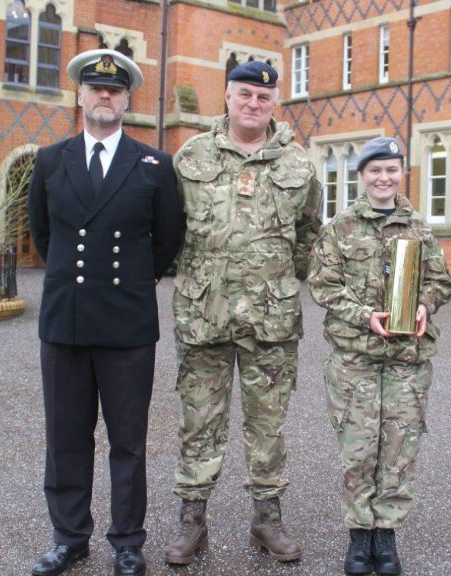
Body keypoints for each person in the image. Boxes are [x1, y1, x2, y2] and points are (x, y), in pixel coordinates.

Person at [27, 48, 183, 576]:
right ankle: (69, 537)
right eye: (96, 88)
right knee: (66, 437)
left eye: (114, 90)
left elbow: (167, 241)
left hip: (127, 324)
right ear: (80, 94)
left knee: (128, 442)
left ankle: (127, 541)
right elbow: (43, 236)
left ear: (126, 100)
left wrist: (132, 284)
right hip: (66, 322)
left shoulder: (155, 165)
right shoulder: (50, 160)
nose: (104, 95)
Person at [165, 60, 322, 566]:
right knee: (198, 422)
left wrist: (276, 281)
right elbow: (169, 230)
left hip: (270, 322)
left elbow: (310, 237)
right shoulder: (191, 156)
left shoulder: (297, 165)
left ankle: (266, 519)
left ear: (274, 103)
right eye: (244, 94)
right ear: (227, 97)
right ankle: (193, 521)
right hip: (202, 316)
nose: (253, 104)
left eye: (263, 97)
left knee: (268, 425)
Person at [309, 136, 451, 575]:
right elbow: (324, 286)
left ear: (400, 174)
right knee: (358, 450)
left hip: (406, 360)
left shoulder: (420, 229)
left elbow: (441, 282)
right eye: (375, 170)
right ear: (362, 176)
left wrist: (425, 304)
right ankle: (358, 536)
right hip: (355, 358)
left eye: (391, 169)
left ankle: (385, 535)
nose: (384, 178)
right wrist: (364, 315)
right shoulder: (340, 228)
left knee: (398, 448)